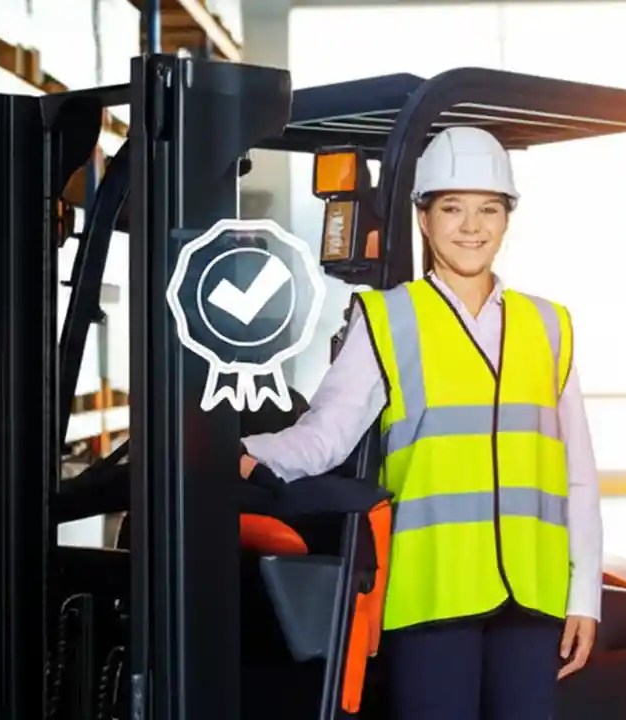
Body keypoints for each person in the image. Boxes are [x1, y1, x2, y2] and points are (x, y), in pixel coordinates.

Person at [239, 126, 602, 720]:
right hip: (433, 592)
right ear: (424, 219)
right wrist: (232, 452)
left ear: (508, 219)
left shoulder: (549, 325)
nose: (471, 226)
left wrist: (584, 595)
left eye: (488, 209)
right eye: (452, 208)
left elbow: (578, 475)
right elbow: (325, 437)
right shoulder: (389, 319)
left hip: (534, 597)